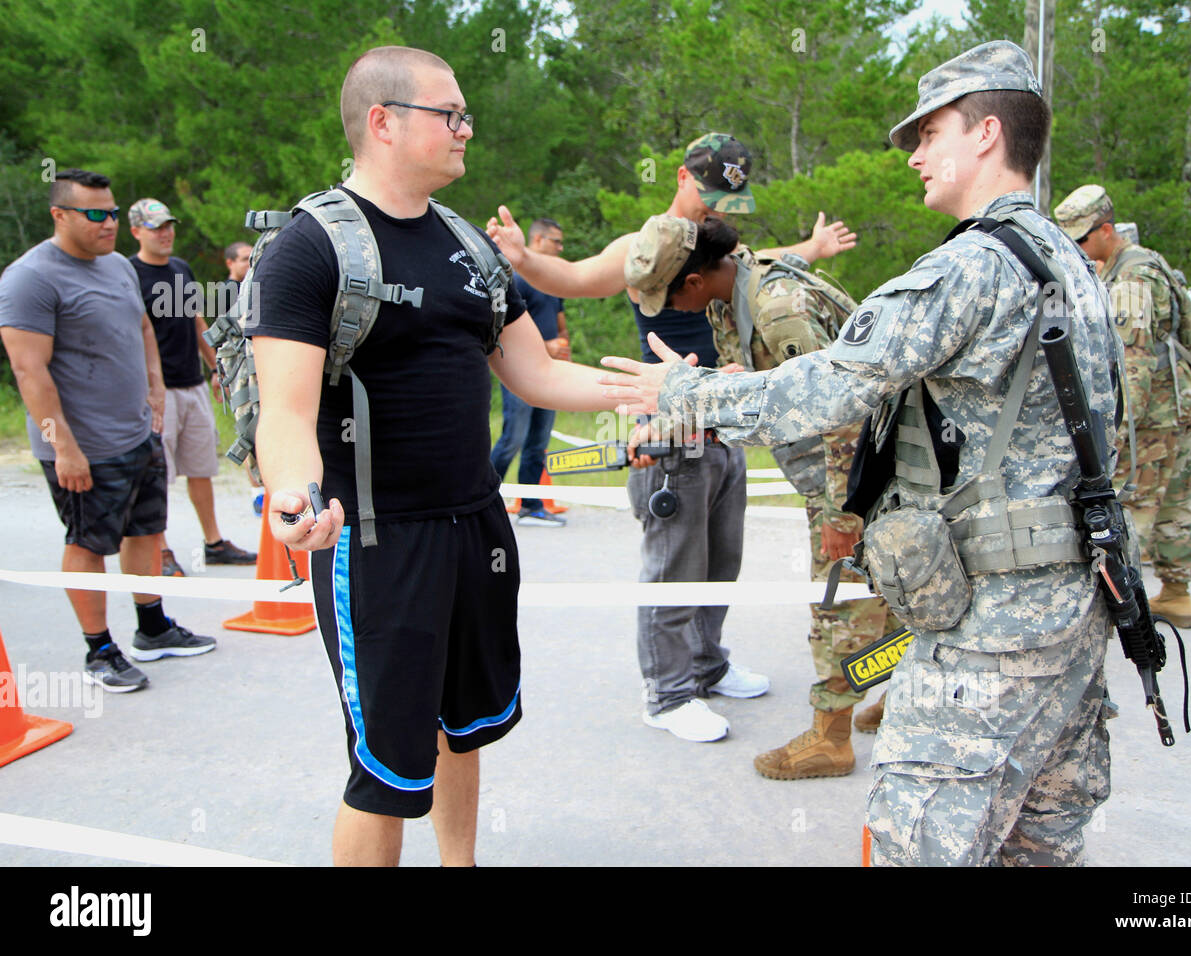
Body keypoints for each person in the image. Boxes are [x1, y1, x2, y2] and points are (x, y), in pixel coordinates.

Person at [601, 41, 1119, 865]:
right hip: (1072, 607)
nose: (914, 153)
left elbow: (832, 389)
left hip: (991, 625)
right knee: (1035, 845)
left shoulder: (972, 266)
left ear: (986, 133)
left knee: (919, 843)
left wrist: (683, 396)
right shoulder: (1072, 261)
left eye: (930, 131)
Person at [250, 45, 619, 866]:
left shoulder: (471, 248)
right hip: (376, 540)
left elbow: (538, 372)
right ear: (383, 122)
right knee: (384, 768)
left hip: (475, 526)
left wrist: (657, 394)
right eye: (449, 115)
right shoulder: (310, 249)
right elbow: (286, 412)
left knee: (464, 727)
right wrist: (292, 497)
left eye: (465, 115)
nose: (467, 130)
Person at [488, 133, 856, 743]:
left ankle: (707, 664)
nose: (718, 211)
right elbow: (576, 275)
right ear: (684, 177)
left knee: (719, 559)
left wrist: (811, 250)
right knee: (674, 564)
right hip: (668, 425)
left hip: (726, 417)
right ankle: (667, 691)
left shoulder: (717, 247)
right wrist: (524, 261)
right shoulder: (643, 250)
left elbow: (757, 267)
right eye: (711, 196)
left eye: (729, 203)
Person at [623, 213, 899, 777]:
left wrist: (839, 513)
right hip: (855, 476)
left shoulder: (777, 308)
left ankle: (831, 739)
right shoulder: (735, 295)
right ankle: (901, 696)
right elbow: (756, 388)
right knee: (895, 591)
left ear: (694, 280)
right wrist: (673, 419)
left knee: (839, 606)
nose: (667, 310)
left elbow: (840, 413)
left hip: (854, 479)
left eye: (666, 296)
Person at [0, 169, 216, 692]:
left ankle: (153, 627)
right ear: (60, 215)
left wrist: (156, 387)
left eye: (114, 212)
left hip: (137, 434)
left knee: (144, 532)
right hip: (83, 447)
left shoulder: (117, 266)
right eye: (96, 214)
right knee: (89, 542)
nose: (110, 223)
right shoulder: (31, 278)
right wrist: (64, 447)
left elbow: (143, 326)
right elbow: (30, 370)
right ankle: (98, 650)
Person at [1055, 184, 1191, 628]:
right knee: (1176, 496)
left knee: (1130, 502)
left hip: (1151, 414)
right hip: (1175, 405)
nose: (1076, 248)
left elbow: (1132, 366)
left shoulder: (1132, 283)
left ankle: (1126, 601)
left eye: (1081, 240)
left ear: (1106, 230)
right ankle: (1177, 592)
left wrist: (1113, 432)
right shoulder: (1141, 264)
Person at [127, 199, 256, 575]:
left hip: (192, 384)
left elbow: (197, 320)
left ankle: (214, 543)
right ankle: (160, 548)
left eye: (168, 225)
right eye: (155, 228)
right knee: (157, 474)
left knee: (201, 468)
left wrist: (217, 366)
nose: (165, 233)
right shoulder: (129, 273)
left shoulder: (180, 268)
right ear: (136, 231)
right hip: (156, 391)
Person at [489, 217, 570, 527]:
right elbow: (509, 325)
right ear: (537, 241)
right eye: (556, 241)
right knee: (513, 438)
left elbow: (560, 323)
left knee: (539, 441)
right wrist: (543, 348)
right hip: (521, 373)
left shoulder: (553, 280)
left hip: (551, 372)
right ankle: (487, 500)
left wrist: (563, 350)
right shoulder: (519, 279)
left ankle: (531, 505)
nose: (561, 247)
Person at [212, 239, 263, 516]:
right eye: (243, 258)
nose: (248, 262)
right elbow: (222, 339)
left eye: (251, 257)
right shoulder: (227, 291)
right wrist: (218, 375)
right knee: (248, 426)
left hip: (257, 366)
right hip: (239, 370)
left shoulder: (253, 288)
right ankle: (257, 493)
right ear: (230, 262)